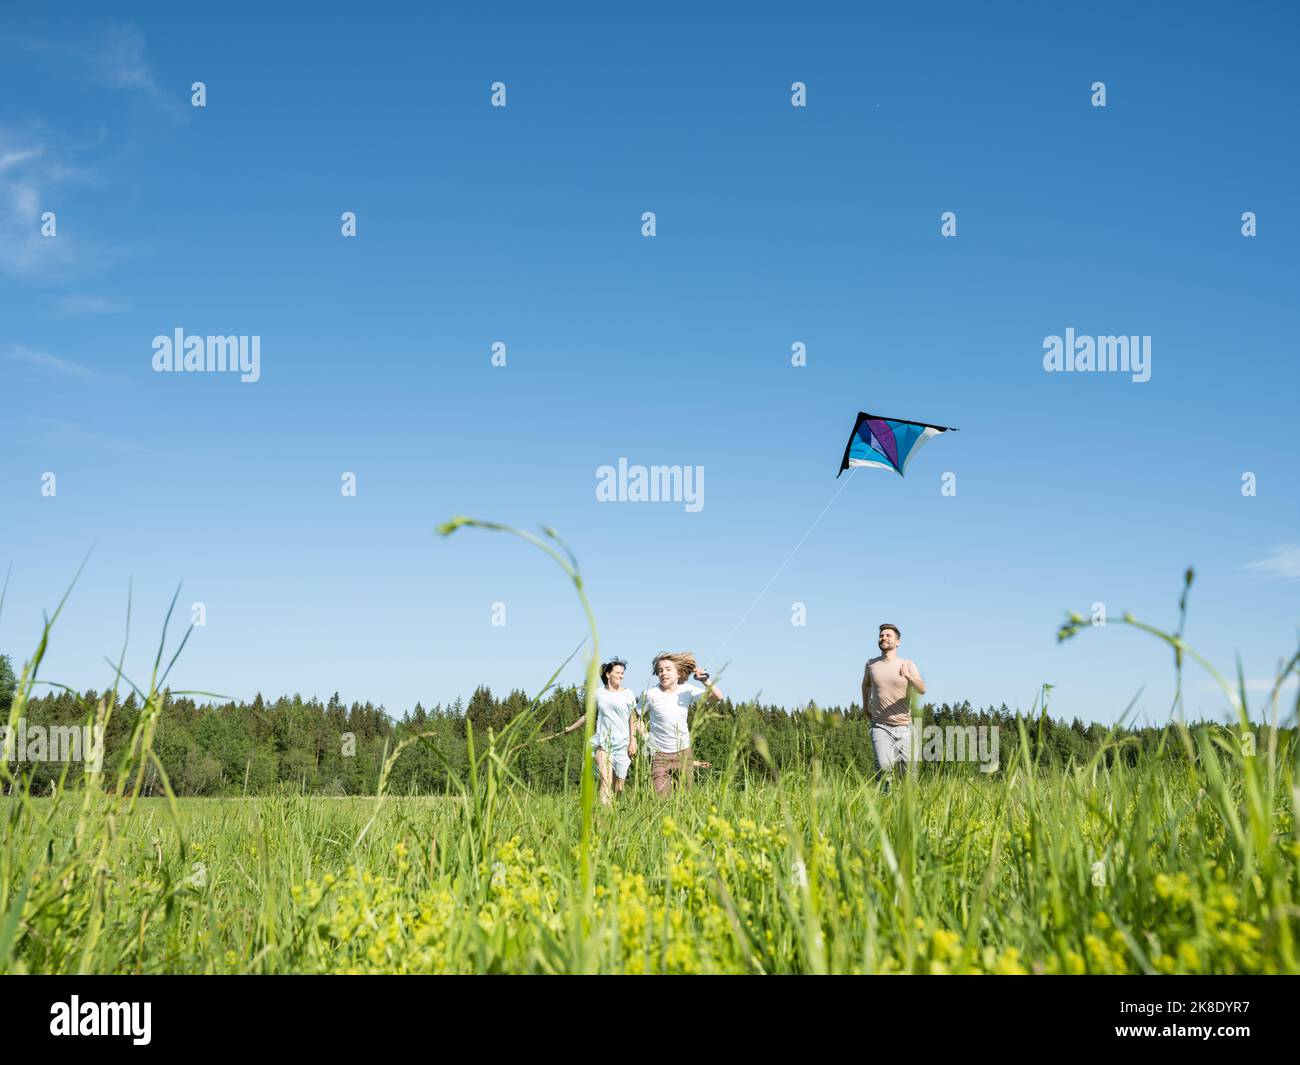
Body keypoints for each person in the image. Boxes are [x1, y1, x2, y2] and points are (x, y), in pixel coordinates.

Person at [554, 658, 637, 804]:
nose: (621, 676)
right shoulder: (599, 694)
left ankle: (617, 810)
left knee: (619, 787)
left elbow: (633, 718)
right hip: (603, 741)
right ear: (608, 674)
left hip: (623, 743)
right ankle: (605, 816)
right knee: (605, 780)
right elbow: (588, 715)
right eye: (618, 672)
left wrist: (633, 740)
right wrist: (571, 728)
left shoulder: (628, 694)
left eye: (623, 673)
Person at [639, 651, 720, 796]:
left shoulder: (687, 690)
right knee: (662, 798)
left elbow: (717, 697)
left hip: (683, 752)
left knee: (685, 797)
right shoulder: (650, 694)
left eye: (668, 669)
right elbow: (634, 717)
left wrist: (705, 680)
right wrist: (645, 738)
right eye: (660, 670)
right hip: (659, 754)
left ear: (679, 673)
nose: (663, 673)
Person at [861, 623, 926, 786]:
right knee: (884, 767)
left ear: (898, 642)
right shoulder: (871, 664)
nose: (883, 638)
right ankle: (884, 805)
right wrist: (865, 706)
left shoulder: (907, 664)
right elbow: (865, 685)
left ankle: (907, 808)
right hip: (880, 726)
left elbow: (922, 689)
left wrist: (909, 677)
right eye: (881, 635)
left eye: (888, 635)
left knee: (909, 773)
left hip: (905, 726)